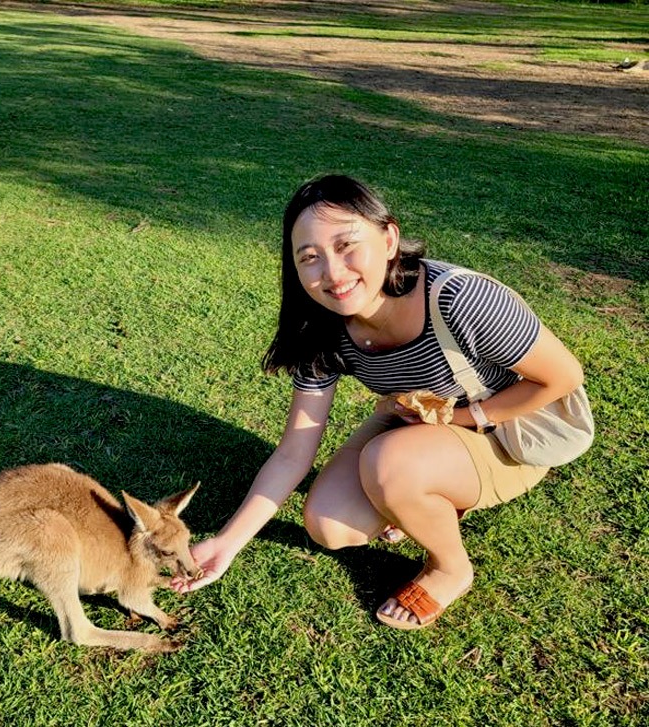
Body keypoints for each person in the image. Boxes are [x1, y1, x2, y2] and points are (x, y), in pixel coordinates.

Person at [172, 174, 586, 630]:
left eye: (348, 245)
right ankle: (430, 495)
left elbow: (563, 378)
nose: (332, 273)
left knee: (389, 464)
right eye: (309, 258)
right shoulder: (322, 329)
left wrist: (464, 416)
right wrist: (227, 543)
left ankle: (450, 567)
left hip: (505, 429)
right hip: (415, 419)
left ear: (388, 237)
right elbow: (295, 450)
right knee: (331, 525)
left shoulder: (460, 299)